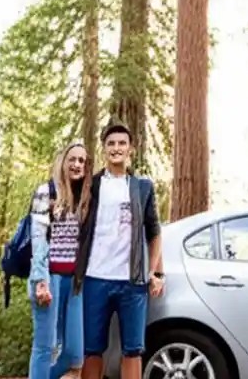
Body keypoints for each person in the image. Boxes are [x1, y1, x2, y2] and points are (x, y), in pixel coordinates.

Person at [75, 123, 165, 379]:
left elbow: (155, 232)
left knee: (133, 350)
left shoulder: (142, 187)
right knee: (92, 349)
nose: (116, 148)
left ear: (130, 150)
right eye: (111, 143)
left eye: (122, 143)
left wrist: (156, 272)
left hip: (132, 283)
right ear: (104, 149)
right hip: (94, 279)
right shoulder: (90, 185)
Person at [28, 142, 92, 379]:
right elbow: (38, 238)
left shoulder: (85, 197)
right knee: (45, 346)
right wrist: (40, 280)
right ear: (63, 161)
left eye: (82, 161)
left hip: (74, 282)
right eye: (72, 159)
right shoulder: (47, 191)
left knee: (75, 353)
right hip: (48, 276)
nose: (77, 165)